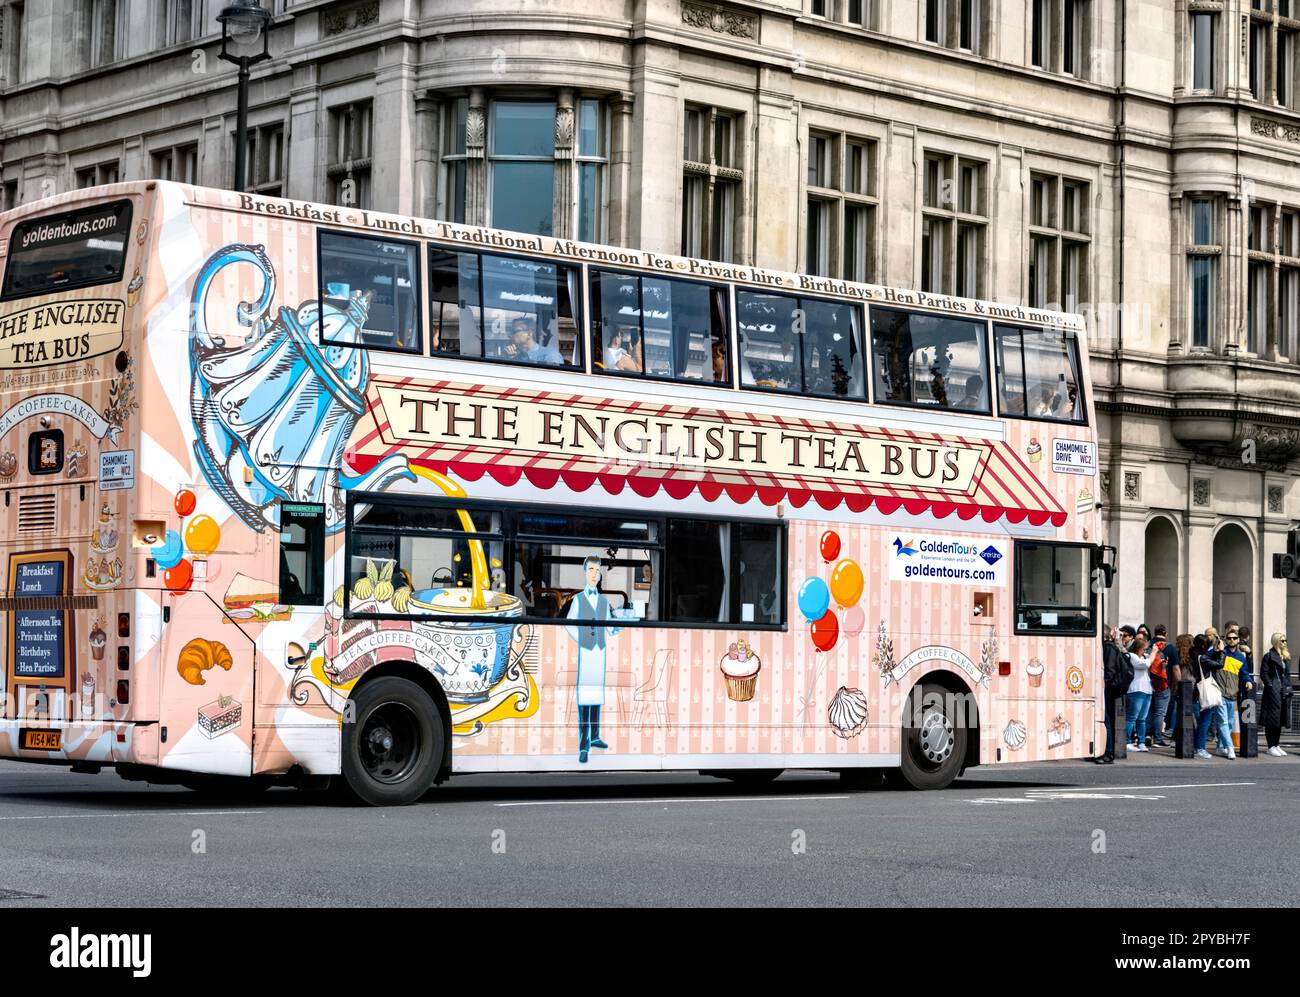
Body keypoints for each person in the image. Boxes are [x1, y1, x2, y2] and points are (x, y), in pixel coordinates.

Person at [564, 556, 621, 763]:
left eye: (597, 570)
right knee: (585, 697)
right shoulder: (578, 599)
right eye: (591, 570)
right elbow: (569, 624)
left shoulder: (604, 601)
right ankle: (583, 744)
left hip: (600, 653)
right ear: (584, 572)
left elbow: (610, 626)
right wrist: (582, 637)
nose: (594, 574)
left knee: (596, 694)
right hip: (587, 652)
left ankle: (595, 737)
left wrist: (618, 625)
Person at [1095, 625, 1133, 764]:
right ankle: (1104, 750)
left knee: (1106, 719)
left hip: (1107, 689)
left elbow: (1109, 671)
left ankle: (1108, 752)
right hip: (1108, 688)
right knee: (1105, 719)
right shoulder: (1109, 647)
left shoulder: (1109, 648)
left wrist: (1103, 684)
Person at [1215, 626, 1253, 758]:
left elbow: (1245, 673)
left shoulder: (1240, 657)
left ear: (1238, 640)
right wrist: (1217, 648)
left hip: (1233, 694)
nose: (1231, 640)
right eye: (1229, 638)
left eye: (1234, 638)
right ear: (1225, 639)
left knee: (1229, 723)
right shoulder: (1219, 653)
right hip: (1219, 693)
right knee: (1223, 722)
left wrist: (1248, 681)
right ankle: (1229, 747)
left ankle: (1220, 747)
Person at [1193, 627, 1231, 759]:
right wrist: (1221, 652)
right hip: (1204, 691)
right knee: (1205, 721)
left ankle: (1197, 746)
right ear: (1203, 645)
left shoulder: (1195, 654)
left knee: (1201, 721)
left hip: (1197, 691)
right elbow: (1219, 665)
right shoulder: (1201, 658)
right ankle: (1200, 748)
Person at [1261, 633, 1293, 756]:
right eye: (1282, 641)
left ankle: (1276, 744)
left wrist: (1288, 687)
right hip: (1273, 691)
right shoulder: (1268, 656)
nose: (1284, 643)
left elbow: (1287, 675)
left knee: (1280, 719)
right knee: (1272, 719)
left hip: (1283, 691)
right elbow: (1264, 673)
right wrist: (1270, 686)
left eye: (1285, 640)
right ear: (1276, 642)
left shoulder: (1285, 657)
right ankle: (1271, 746)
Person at [1124, 634, 1156, 750]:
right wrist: (1153, 653)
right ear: (1138, 648)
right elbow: (1144, 665)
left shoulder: (1144, 656)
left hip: (1147, 689)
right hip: (1136, 689)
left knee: (1142, 718)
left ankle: (1141, 742)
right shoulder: (1131, 656)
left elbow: (1151, 663)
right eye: (1144, 648)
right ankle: (1127, 742)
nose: (1145, 650)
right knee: (1132, 717)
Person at [1147, 625, 1172, 747]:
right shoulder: (1169, 647)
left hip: (1147, 682)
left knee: (1149, 710)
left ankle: (1146, 735)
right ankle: (1157, 738)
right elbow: (1176, 668)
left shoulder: (1147, 644)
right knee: (1160, 713)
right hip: (1162, 683)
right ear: (1165, 633)